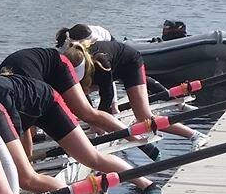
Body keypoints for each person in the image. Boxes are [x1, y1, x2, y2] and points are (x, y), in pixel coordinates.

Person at [0, 68, 149, 194]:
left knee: (91, 158)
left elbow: (18, 131)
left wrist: (19, 170)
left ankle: (144, 183)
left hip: (49, 105)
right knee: (23, 173)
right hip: (28, 111)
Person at [73, 31, 204, 142]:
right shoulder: (69, 60)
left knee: (144, 117)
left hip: (130, 63)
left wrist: (98, 122)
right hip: (111, 64)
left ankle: (194, 135)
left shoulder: (100, 63)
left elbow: (107, 95)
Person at [0, 43, 127, 136]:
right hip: (24, 69)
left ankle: (130, 134)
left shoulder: (61, 70)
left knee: (88, 114)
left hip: (47, 67)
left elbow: (24, 127)